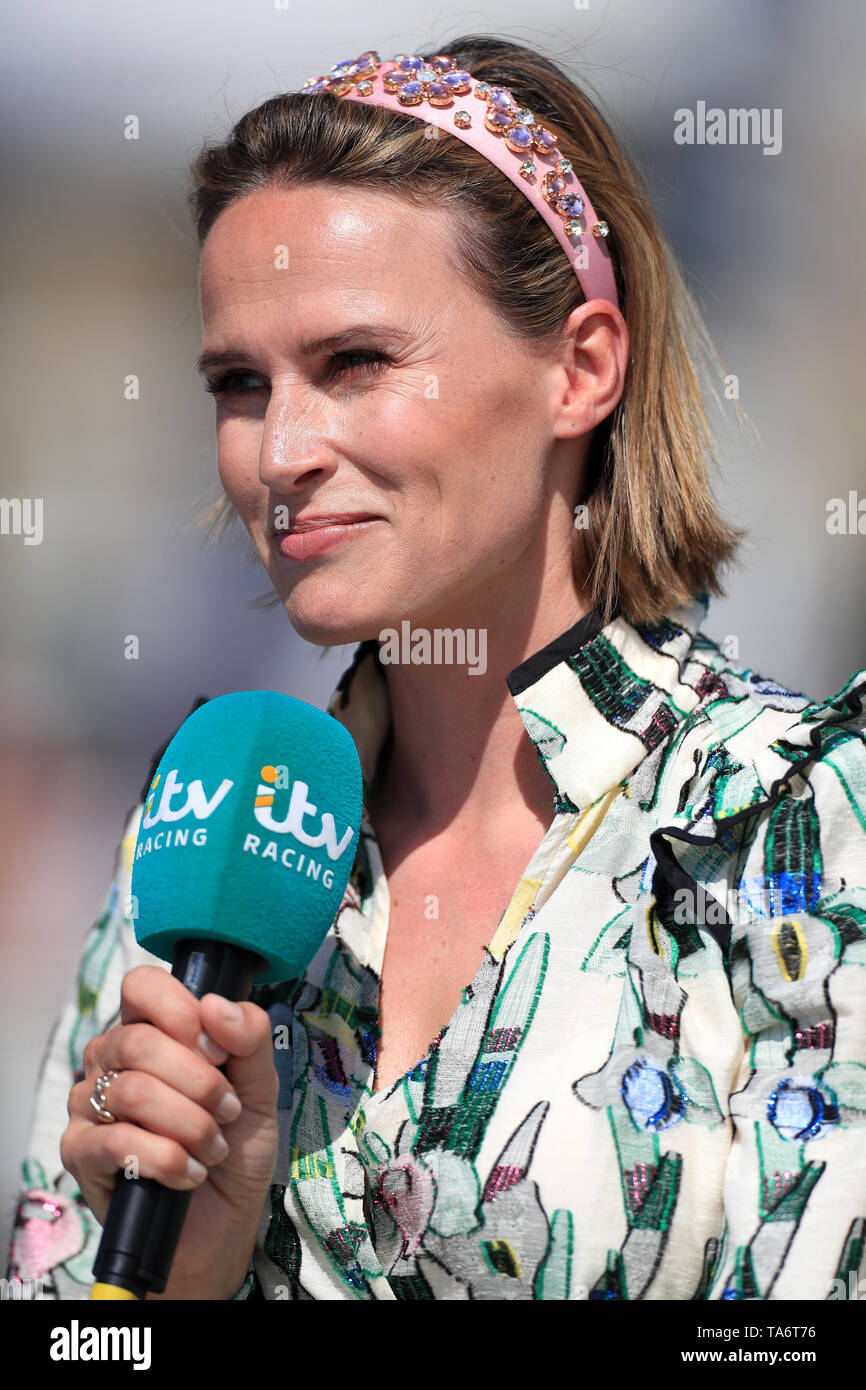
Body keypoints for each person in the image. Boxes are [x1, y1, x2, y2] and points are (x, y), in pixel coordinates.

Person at [7, 35, 866, 1302]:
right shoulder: (202, 830)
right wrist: (179, 1294)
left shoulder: (794, 818)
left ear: (581, 367)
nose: (279, 449)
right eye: (239, 382)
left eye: (355, 363)